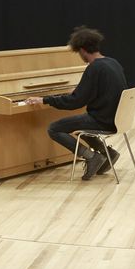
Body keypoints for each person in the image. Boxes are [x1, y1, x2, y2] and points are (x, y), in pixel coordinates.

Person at [25, 26, 127, 181]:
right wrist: (80, 90)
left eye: (79, 52)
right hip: (116, 118)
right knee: (80, 124)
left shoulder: (94, 68)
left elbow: (75, 102)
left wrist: (44, 99)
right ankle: (108, 153)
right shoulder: (112, 63)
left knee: (54, 128)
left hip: (102, 120)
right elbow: (102, 90)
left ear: (83, 50)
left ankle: (91, 157)